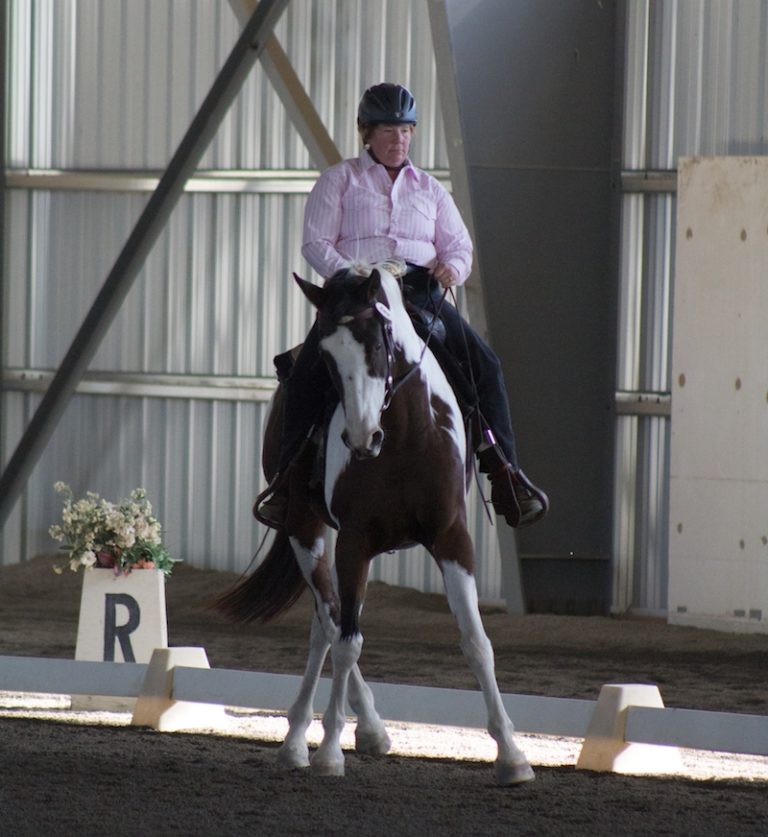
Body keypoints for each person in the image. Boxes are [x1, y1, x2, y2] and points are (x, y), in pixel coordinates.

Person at [256, 83, 548, 530]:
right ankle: (286, 479)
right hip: (356, 294)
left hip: (417, 293)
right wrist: (354, 276)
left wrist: (453, 267)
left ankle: (505, 473)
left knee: (484, 365)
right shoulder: (339, 180)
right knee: (306, 371)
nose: (400, 139)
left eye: (407, 130)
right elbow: (315, 243)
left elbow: (459, 246)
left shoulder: (430, 190)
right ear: (365, 132)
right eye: (390, 130)